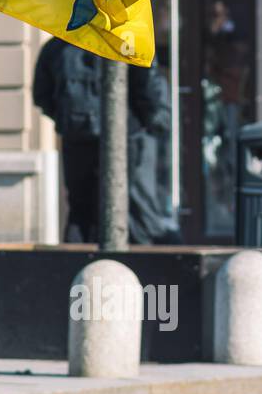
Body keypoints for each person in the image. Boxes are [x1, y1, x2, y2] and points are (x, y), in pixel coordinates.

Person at [33, 36, 180, 245]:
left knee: (80, 209)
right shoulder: (124, 40)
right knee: (126, 206)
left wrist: (67, 122)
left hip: (76, 138)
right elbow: (148, 90)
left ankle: (77, 267)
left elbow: (42, 96)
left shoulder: (56, 46)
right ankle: (126, 265)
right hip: (123, 137)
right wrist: (146, 122)